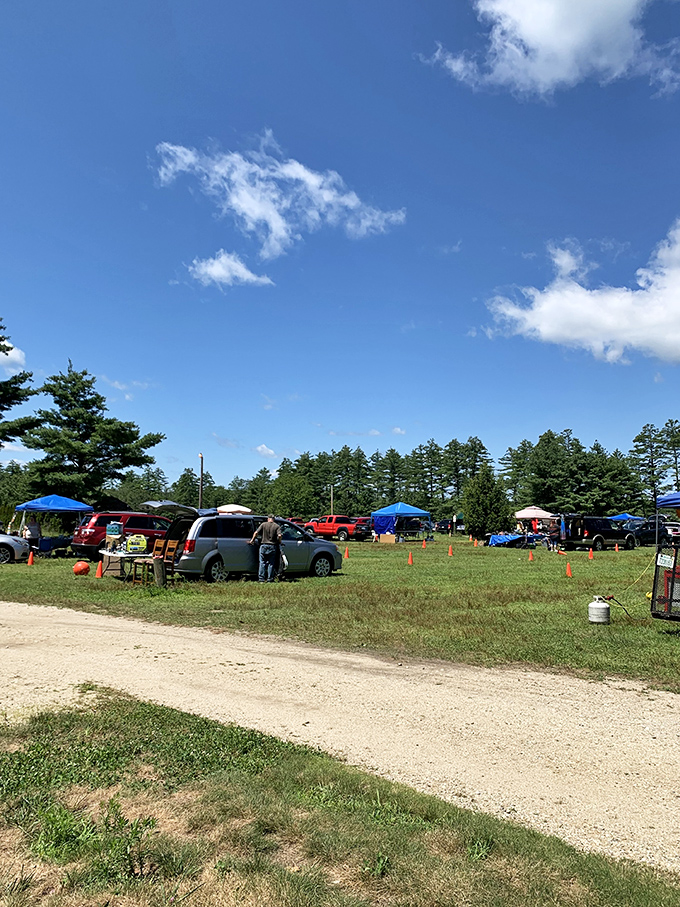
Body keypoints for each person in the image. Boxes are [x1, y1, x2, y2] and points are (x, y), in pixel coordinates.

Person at [249, 515, 283, 583]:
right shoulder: (276, 526)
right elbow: (279, 535)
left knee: (262, 562)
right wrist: (279, 541)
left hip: (263, 545)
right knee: (271, 563)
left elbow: (256, 533)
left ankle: (261, 579)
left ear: (268, 519)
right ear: (273, 519)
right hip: (272, 546)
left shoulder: (263, 524)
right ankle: (270, 579)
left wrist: (252, 540)